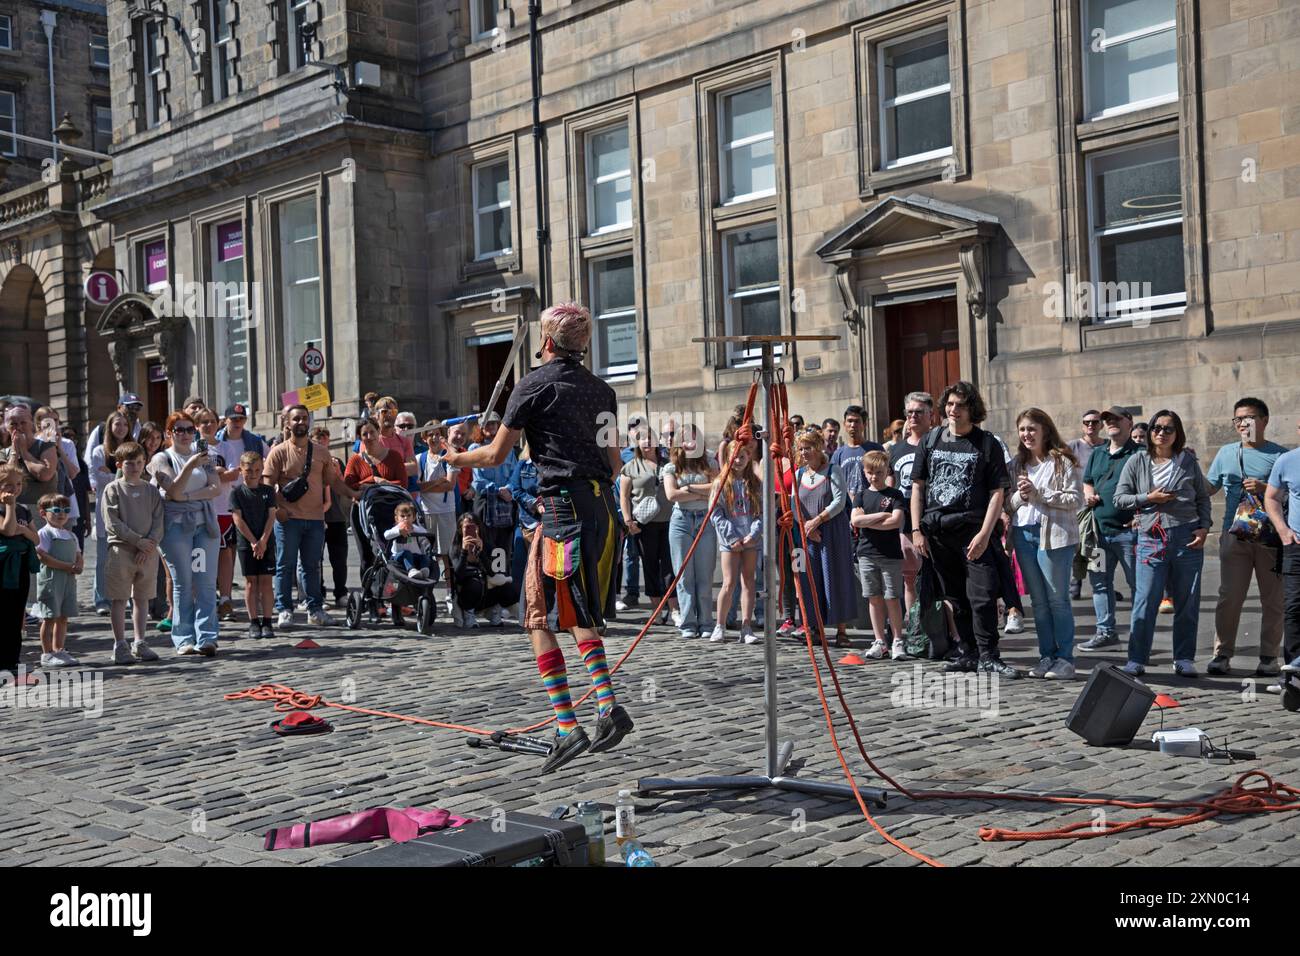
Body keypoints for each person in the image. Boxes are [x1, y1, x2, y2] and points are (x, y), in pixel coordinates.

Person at [442, 301, 632, 774]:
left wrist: (455, 458)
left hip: (561, 509)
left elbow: (493, 456)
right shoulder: (602, 391)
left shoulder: (532, 385)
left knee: (538, 613)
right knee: (576, 606)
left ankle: (570, 725)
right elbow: (614, 464)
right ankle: (606, 706)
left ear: (547, 342)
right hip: (600, 508)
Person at [910, 381, 1019, 677]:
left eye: (960, 405)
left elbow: (998, 493)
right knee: (955, 597)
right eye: (949, 404)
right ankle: (968, 652)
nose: (953, 410)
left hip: (974, 531)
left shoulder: (987, 443)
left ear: (973, 409)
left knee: (982, 596)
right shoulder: (931, 440)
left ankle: (989, 655)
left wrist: (985, 534)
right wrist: (916, 530)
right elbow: (917, 487)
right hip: (939, 533)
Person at [1113, 410, 1211, 677]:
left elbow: (1202, 498)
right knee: (1145, 600)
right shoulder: (1137, 461)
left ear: (1177, 433)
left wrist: (1204, 528)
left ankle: (1184, 657)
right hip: (1150, 538)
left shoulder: (1187, 461)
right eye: (1156, 428)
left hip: (1187, 537)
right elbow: (1119, 499)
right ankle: (1136, 658)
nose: (1161, 433)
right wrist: (1149, 497)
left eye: (1168, 429)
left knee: (1187, 601)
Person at [1205, 397, 1288, 676]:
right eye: (1238, 419)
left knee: (1272, 599)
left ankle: (1268, 657)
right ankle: (1222, 654)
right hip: (1235, 534)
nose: (1243, 423)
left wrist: (1267, 487)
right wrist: (1187, 468)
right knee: (1229, 597)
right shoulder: (1226, 453)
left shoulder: (1280, 456)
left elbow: (1293, 495)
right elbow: (1208, 488)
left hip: (1270, 538)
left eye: (1249, 418)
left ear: (1264, 421)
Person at [263, 405, 361, 629]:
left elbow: (334, 482)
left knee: (312, 567)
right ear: (287, 423)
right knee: (285, 566)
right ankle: (284, 610)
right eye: (296, 419)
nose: (300, 422)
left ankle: (315, 610)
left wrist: (353, 494)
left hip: (316, 519)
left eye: (304, 418)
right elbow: (267, 486)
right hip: (288, 519)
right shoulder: (278, 452)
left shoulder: (321, 452)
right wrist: (278, 509)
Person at [1007, 408, 1083, 680]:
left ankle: (1065, 659)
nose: (1027, 434)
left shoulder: (1062, 461)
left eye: (1032, 429)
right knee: (1038, 603)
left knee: (1058, 600)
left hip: (1054, 535)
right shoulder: (1016, 464)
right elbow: (1009, 504)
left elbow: (1075, 500)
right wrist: (1021, 497)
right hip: (1024, 533)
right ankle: (1046, 655)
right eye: (1023, 429)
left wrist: (1039, 494)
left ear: (1045, 431)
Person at [151, 412, 223, 657]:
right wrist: (191, 466)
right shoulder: (162, 458)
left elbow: (214, 488)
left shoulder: (205, 456)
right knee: (183, 581)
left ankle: (207, 637)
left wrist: (189, 497)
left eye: (189, 429)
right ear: (169, 433)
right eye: (178, 430)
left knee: (204, 580)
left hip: (203, 527)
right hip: (175, 529)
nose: (185, 434)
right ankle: (183, 638)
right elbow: (172, 490)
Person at [1078, 405, 1142, 651]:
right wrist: (1089, 495)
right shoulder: (1098, 453)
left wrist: (1140, 515)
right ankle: (1106, 632)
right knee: (1100, 583)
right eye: (1107, 419)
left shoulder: (1140, 454)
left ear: (1129, 422)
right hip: (1098, 534)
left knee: (1138, 584)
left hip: (1129, 534)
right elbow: (1087, 482)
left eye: (1116, 418)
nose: (1110, 422)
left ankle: (1139, 633)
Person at [792, 429, 857, 648]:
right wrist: (806, 526)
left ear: (819, 448)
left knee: (835, 577)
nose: (804, 453)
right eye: (801, 449)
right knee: (808, 579)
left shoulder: (832, 470)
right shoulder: (799, 474)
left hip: (832, 534)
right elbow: (794, 505)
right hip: (806, 535)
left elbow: (839, 501)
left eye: (808, 448)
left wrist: (817, 521)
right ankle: (813, 627)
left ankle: (841, 630)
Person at [100, 442, 164, 664]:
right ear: (119, 464)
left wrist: (149, 544)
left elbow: (158, 521)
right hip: (122, 550)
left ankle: (140, 641)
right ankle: (120, 644)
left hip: (148, 553)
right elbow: (113, 523)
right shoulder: (113, 489)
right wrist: (138, 542)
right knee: (119, 599)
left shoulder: (151, 490)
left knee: (142, 599)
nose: (135, 467)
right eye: (130, 463)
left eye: (139, 462)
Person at [663, 423, 719, 640]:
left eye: (694, 439)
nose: (690, 443)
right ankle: (688, 622)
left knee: (705, 575)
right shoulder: (671, 467)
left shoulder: (710, 462)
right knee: (684, 575)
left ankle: (706, 622)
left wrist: (688, 489)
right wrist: (701, 493)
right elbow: (671, 495)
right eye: (685, 439)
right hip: (681, 522)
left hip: (705, 520)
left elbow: (717, 488)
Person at [850, 451, 906, 660]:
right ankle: (879, 640)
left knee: (892, 597)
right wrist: (882, 516)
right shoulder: (861, 496)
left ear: (886, 472)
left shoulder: (895, 495)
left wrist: (870, 520)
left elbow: (895, 522)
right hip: (866, 553)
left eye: (879, 472)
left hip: (890, 554)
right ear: (865, 473)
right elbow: (855, 521)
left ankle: (898, 639)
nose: (874, 476)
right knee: (874, 598)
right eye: (870, 472)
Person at [620, 423, 675, 627]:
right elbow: (624, 497)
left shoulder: (668, 463)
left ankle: (675, 608)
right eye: (642, 438)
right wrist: (628, 521)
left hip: (670, 521)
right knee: (650, 566)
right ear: (637, 442)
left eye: (650, 438)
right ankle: (657, 608)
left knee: (670, 567)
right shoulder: (630, 467)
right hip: (645, 524)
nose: (647, 441)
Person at [471, 411, 520, 626]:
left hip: (505, 504)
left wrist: (509, 488)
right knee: (487, 552)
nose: (491, 427)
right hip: (486, 505)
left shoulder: (509, 449)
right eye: (487, 424)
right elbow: (478, 480)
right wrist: (497, 489)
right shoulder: (475, 449)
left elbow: (515, 474)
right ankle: (487, 604)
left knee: (502, 552)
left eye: (494, 423)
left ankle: (503, 602)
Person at [709, 442, 762, 644]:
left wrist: (753, 534)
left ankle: (746, 626)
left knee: (749, 581)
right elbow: (716, 513)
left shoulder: (755, 483)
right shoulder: (721, 483)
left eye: (742, 457)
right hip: (730, 541)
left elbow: (761, 512)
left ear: (748, 457)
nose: (738, 461)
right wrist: (731, 537)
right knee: (729, 582)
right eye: (734, 457)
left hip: (750, 539)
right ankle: (720, 625)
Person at [195, 408, 242, 622]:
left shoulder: (226, 447)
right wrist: (219, 473)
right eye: (203, 422)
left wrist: (215, 474)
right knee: (203, 557)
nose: (208, 425)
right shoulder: (193, 447)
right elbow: (197, 478)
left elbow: (233, 474)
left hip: (223, 508)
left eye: (211, 421)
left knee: (225, 555)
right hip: (200, 509)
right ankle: (205, 598)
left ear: (218, 423)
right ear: (197, 425)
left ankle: (225, 599)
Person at [888, 392, 933, 612]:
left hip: (931, 521)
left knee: (934, 579)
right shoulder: (896, 449)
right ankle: (915, 629)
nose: (913, 416)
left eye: (919, 412)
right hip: (903, 524)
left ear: (930, 415)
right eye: (910, 412)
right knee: (909, 579)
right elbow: (890, 485)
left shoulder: (937, 445)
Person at [1264, 422, 1300, 686]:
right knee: (1294, 607)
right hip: (1296, 546)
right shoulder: (1287, 461)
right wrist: (1283, 530)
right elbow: (1272, 497)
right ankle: (1295, 672)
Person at [230, 451, 279, 640]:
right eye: (249, 470)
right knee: (251, 582)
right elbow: (237, 519)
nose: (253, 474)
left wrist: (263, 541)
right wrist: (253, 542)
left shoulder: (267, 491)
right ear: (241, 470)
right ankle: (253, 621)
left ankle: (267, 621)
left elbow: (271, 516)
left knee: (266, 582)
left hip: (266, 542)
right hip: (246, 543)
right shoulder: (236, 493)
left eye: (257, 470)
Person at [89, 412, 132, 615]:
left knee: (127, 555)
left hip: (130, 508)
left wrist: (112, 475)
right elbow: (100, 480)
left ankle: (126, 595)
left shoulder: (133, 450)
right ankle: (102, 598)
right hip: (106, 508)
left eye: (125, 424)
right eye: (117, 423)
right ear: (110, 426)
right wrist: (121, 477)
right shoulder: (99, 451)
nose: (121, 427)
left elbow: (135, 478)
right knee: (103, 557)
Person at [416, 421, 460, 618]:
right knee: (427, 556)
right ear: (424, 438)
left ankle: (451, 595)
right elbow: (418, 487)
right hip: (426, 512)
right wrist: (437, 482)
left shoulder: (449, 458)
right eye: (430, 434)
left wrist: (429, 485)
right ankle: (428, 594)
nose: (434, 438)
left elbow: (450, 485)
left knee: (447, 556)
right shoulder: (420, 459)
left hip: (445, 511)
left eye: (437, 434)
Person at [0, 465, 40, 678]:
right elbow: (7, 529)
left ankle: (12, 660)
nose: (13, 489)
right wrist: (9, 507)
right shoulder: (4, 507)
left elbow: (36, 538)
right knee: (3, 614)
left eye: (17, 484)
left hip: (22, 565)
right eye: (8, 485)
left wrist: (23, 530)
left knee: (16, 615)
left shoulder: (23, 509)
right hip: (4, 565)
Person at [34, 494, 82, 667]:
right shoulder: (44, 533)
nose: (61, 514)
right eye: (56, 510)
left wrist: (78, 565)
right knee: (49, 617)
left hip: (68, 581)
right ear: (43, 513)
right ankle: (46, 653)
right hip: (52, 580)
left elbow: (78, 554)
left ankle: (59, 649)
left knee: (63, 617)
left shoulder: (70, 535)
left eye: (65, 510)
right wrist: (66, 566)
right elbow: (43, 557)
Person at [1065, 409, 1106, 600]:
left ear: (1101, 425)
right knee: (1077, 546)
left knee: (1098, 546)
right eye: (1087, 422)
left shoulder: (1106, 446)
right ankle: (1076, 582)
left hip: (1102, 505)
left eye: (1095, 422)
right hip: (1078, 507)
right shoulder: (1072, 447)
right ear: (1082, 425)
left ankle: (1100, 582)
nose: (1091, 425)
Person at [451, 513, 517, 627]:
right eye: (467, 527)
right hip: (468, 592)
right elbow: (458, 576)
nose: (471, 529)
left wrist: (481, 553)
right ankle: (468, 614)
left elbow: (494, 572)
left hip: (488, 591)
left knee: (507, 587)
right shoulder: (456, 547)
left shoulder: (486, 544)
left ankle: (494, 610)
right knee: (474, 584)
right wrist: (464, 552)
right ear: (460, 530)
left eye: (474, 526)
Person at [313, 426, 351, 609]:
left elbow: (344, 486)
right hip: (315, 516)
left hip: (336, 517)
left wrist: (338, 472)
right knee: (315, 560)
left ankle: (341, 593)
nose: (321, 443)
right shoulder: (310, 462)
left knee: (339, 559)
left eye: (324, 440)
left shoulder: (336, 461)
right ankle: (318, 594)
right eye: (317, 440)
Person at [508, 441, 541, 623]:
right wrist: (533, 502)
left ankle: (542, 609)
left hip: (546, 523)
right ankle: (523, 609)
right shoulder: (522, 465)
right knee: (520, 568)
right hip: (525, 522)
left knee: (543, 569)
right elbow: (515, 489)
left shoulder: (549, 464)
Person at [830, 404, 885, 500]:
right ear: (844, 424)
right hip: (847, 508)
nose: (853, 425)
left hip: (872, 503)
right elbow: (833, 482)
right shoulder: (838, 454)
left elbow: (887, 476)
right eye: (850, 421)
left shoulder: (876, 449)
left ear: (864, 425)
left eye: (857, 421)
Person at [345, 419, 409, 489]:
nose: (369, 437)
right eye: (364, 434)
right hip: (368, 499)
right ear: (360, 438)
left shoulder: (394, 456)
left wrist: (381, 483)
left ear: (378, 431)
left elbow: (403, 484)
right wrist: (372, 480)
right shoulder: (354, 461)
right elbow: (347, 488)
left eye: (372, 432)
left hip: (393, 499)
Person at [385, 502, 433, 579]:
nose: (406, 518)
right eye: (402, 516)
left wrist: (414, 529)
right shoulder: (397, 528)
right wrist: (399, 532)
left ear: (413, 518)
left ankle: (424, 569)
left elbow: (425, 532)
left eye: (408, 516)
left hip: (415, 555)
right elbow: (386, 535)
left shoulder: (415, 528)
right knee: (407, 553)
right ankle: (411, 570)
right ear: (397, 519)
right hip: (399, 555)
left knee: (425, 557)